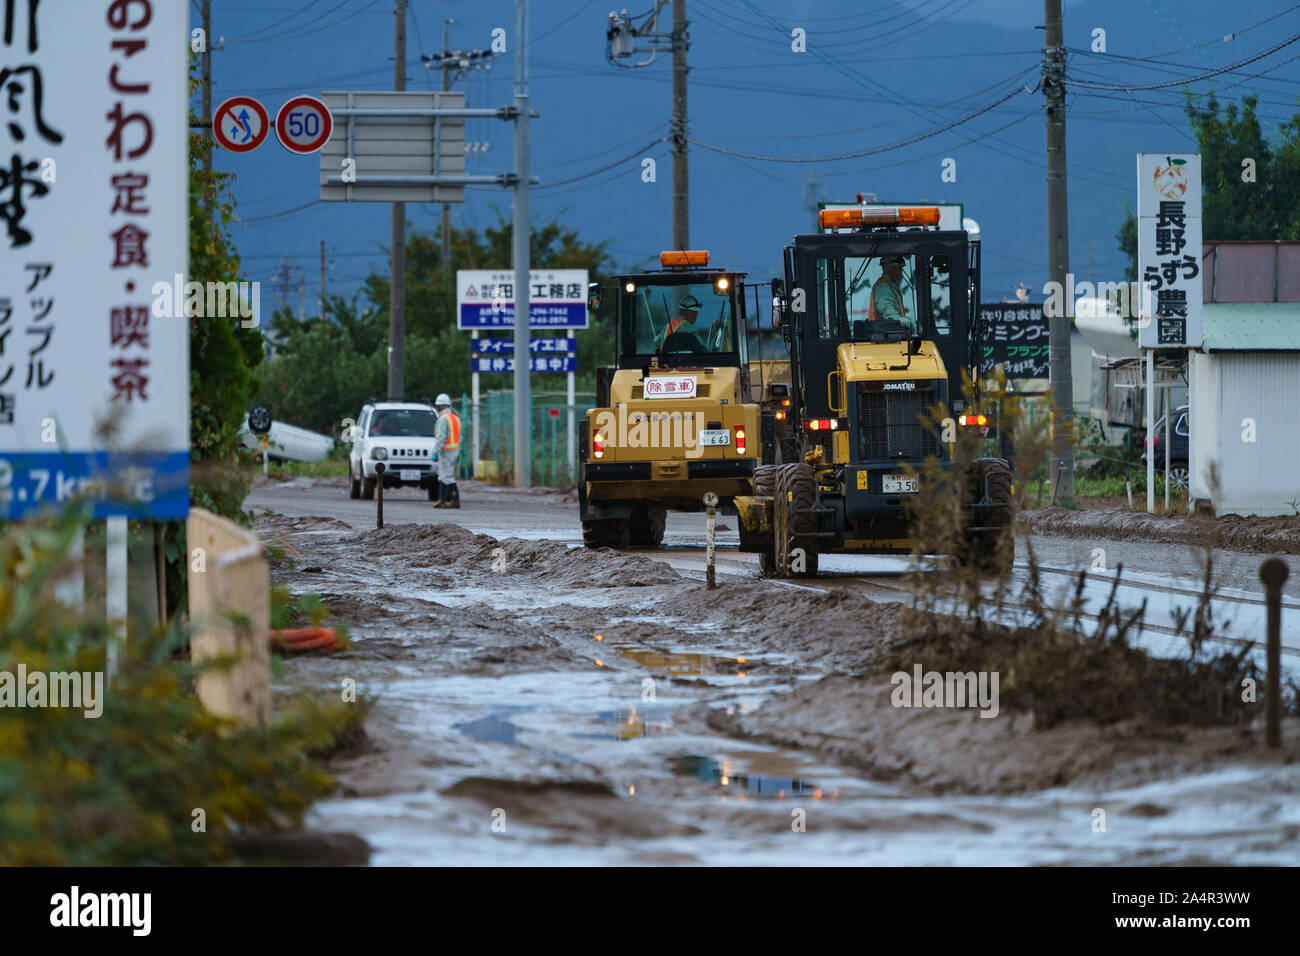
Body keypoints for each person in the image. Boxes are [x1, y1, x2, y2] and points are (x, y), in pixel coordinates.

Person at [432, 393, 461, 509]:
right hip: (454, 451)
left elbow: (441, 437)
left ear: (440, 406)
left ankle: (455, 500)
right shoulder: (455, 418)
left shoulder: (443, 419)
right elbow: (460, 436)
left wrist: (435, 451)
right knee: (443, 476)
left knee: (447, 477)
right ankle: (442, 499)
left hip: (446, 451)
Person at [869, 255, 909, 324]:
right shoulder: (883, 287)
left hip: (889, 330)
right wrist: (898, 319)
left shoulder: (891, 285)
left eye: (901, 268)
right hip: (884, 331)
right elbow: (885, 307)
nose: (900, 272)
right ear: (886, 269)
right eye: (896, 268)